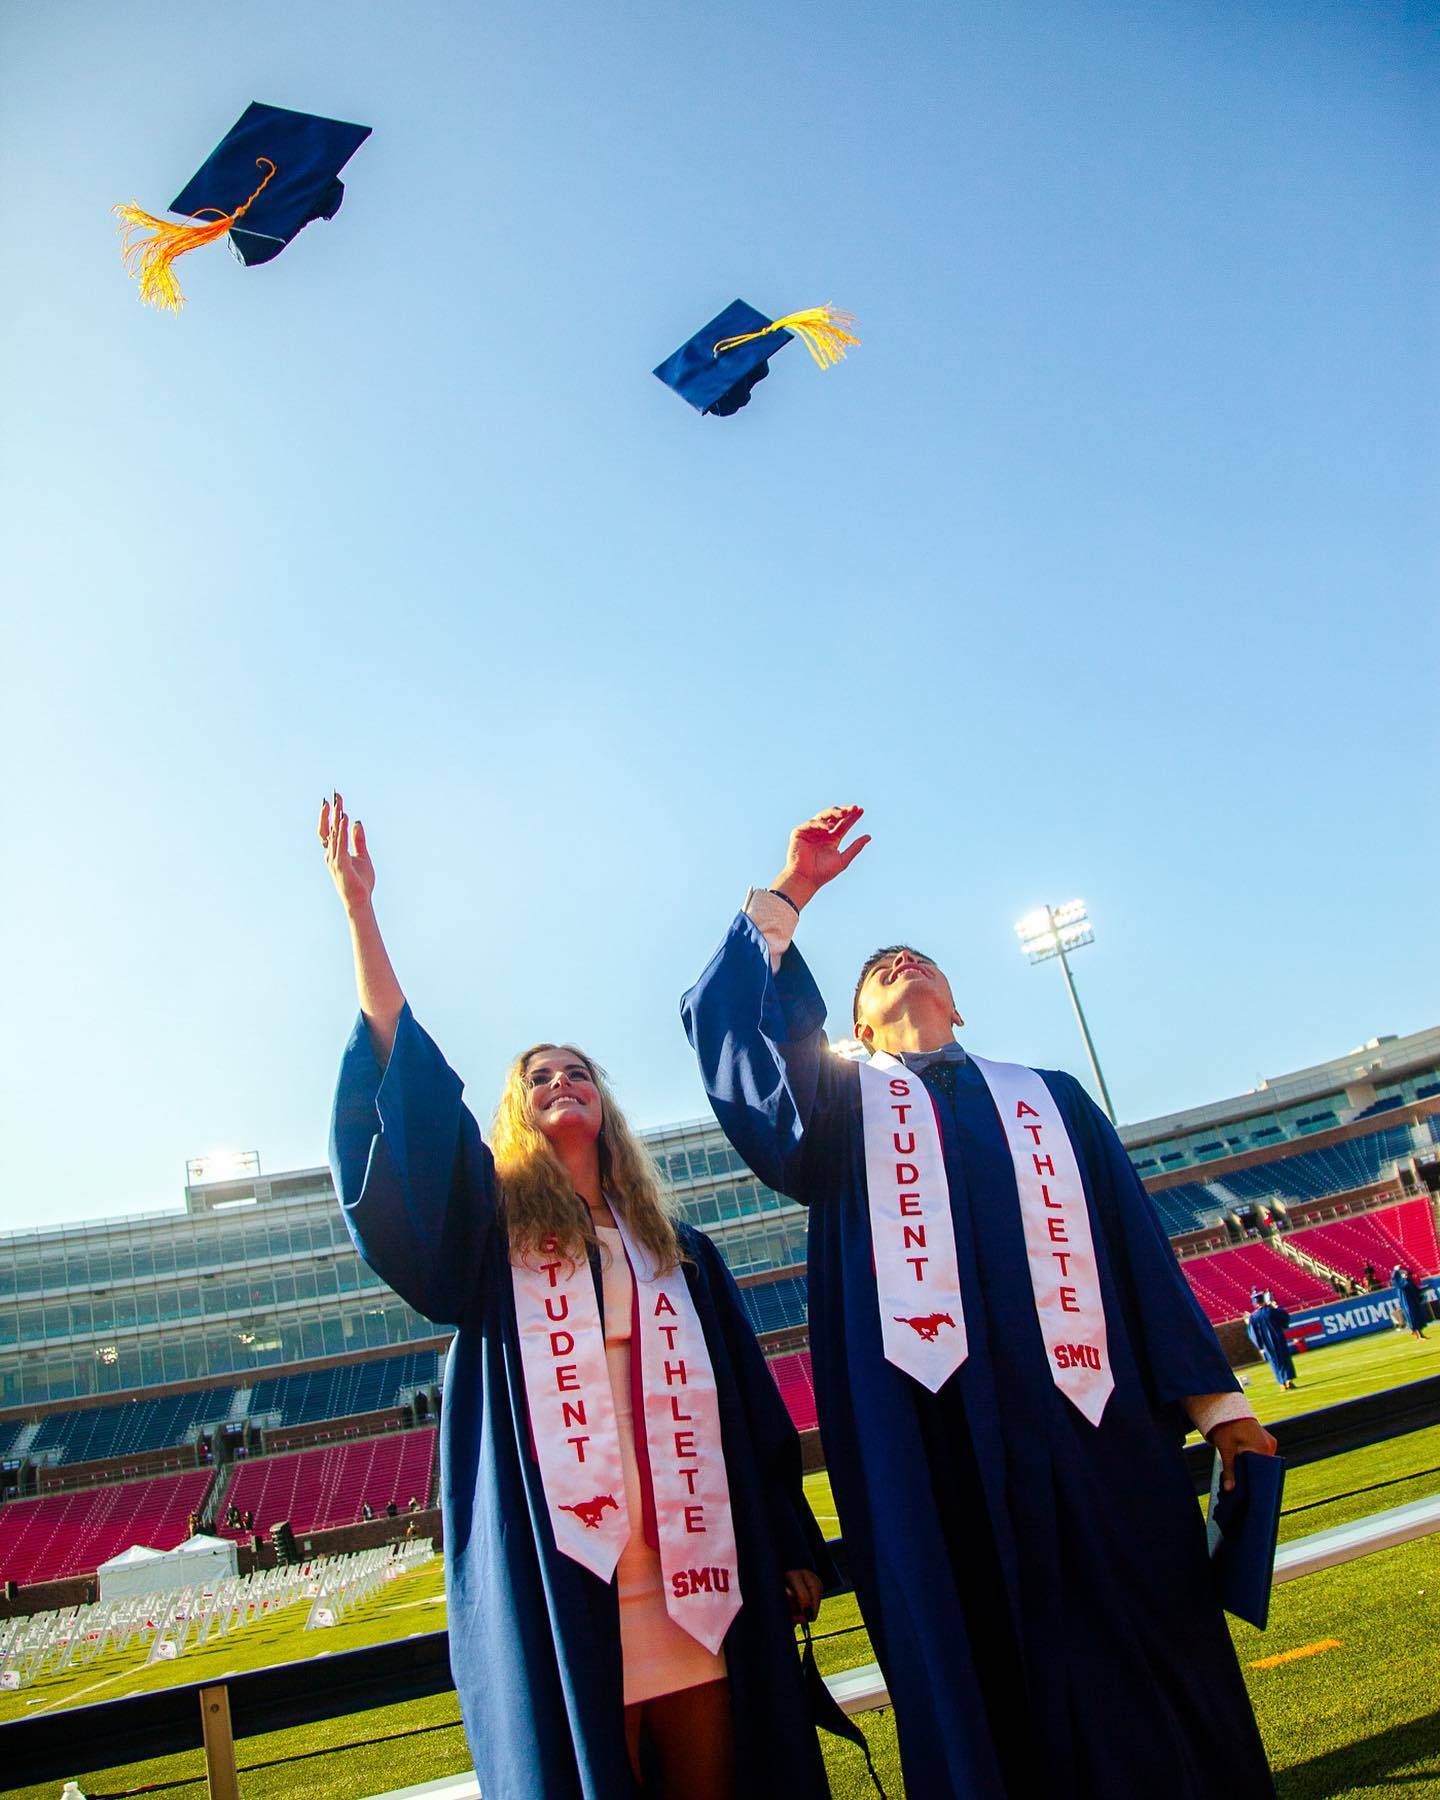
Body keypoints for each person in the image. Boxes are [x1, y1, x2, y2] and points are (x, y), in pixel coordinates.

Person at [682, 803, 1277, 1800]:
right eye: (877, 973)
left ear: (960, 1005)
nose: (899, 966)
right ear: (854, 1026)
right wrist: (793, 892)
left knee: (1148, 1653)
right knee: (972, 1667)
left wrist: (1221, 1408)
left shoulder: (1047, 1096)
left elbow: (1135, 1247)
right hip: (928, 1442)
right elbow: (732, 1036)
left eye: (917, 959)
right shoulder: (835, 1115)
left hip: (1093, 1430)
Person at [321, 792, 832, 1800]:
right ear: (519, 1110)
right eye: (539, 1074)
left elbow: (751, 1414)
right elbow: (415, 1117)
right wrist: (361, 915)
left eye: (578, 1068)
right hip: (568, 1589)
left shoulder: (679, 1252)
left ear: (605, 1100)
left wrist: (791, 1541)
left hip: (700, 1578)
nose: (561, 1077)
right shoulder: (488, 1245)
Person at [1246, 1293, 1297, 1388]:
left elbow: (1253, 1333)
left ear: (1255, 1303)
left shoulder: (1253, 1317)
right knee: (1284, 1359)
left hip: (1266, 1343)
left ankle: (1282, 1383)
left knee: (1274, 1361)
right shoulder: (1272, 1311)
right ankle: (1288, 1379)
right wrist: (1276, 1307)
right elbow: (1285, 1318)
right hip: (1278, 1339)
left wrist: (1259, 1345)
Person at [1391, 1265, 1430, 1339]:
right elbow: (1394, 1279)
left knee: (1418, 1319)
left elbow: (1417, 1291)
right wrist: (1395, 1271)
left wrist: (1425, 1288)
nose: (1407, 1275)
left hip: (1414, 1303)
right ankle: (1418, 1335)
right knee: (1413, 1319)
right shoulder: (1401, 1284)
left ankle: (1420, 1335)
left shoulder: (1410, 1282)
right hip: (1408, 1304)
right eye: (1405, 1274)